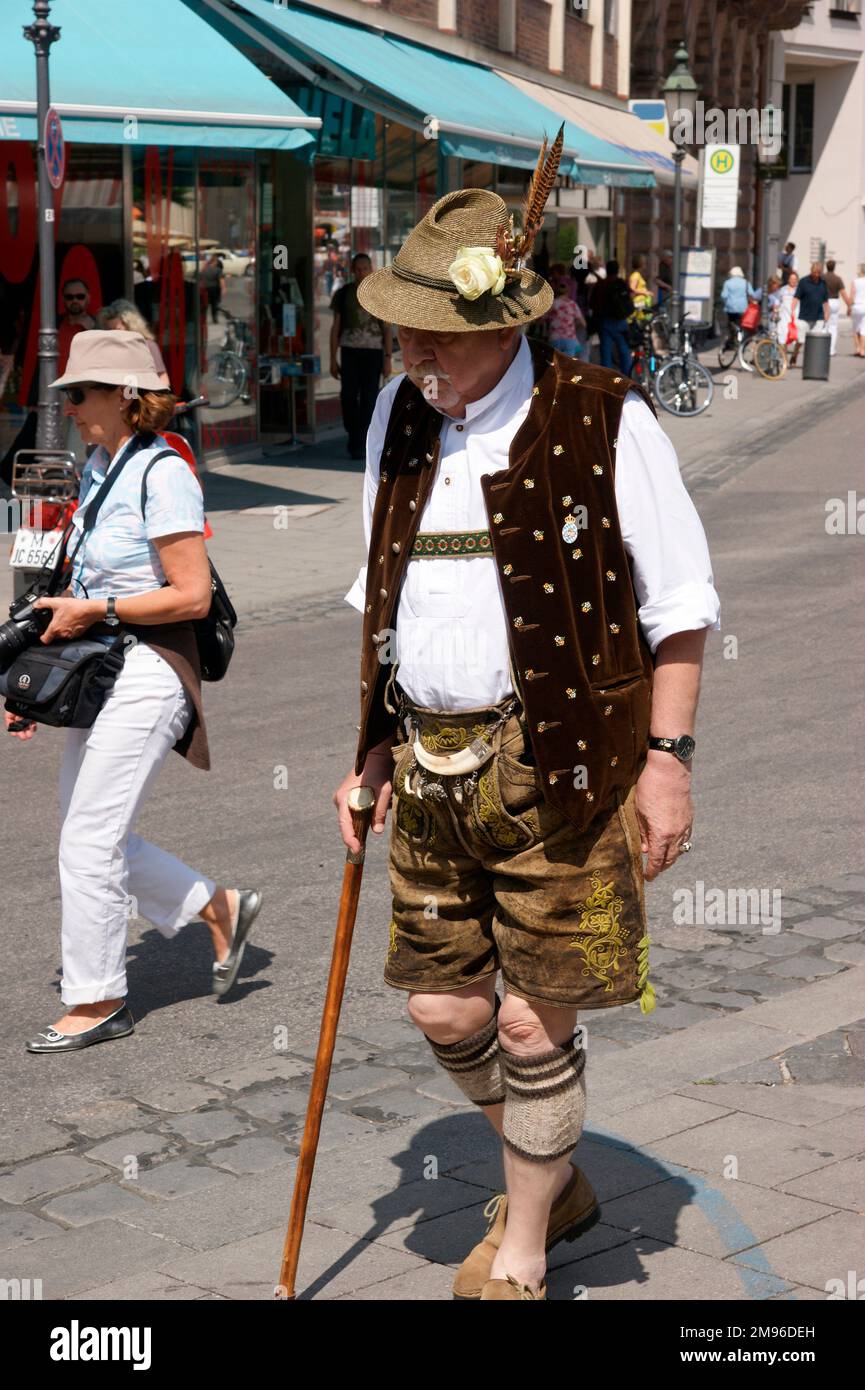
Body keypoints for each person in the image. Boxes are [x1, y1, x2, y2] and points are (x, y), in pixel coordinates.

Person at [333, 183, 720, 1300]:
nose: (411, 349)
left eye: (434, 332)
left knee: (528, 1014)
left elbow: (680, 604)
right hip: (429, 760)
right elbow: (382, 602)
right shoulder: (396, 415)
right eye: (402, 328)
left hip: (560, 765)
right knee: (443, 1008)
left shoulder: (605, 412)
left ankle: (524, 1245)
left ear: (503, 321)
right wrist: (365, 753)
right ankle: (554, 1163)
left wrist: (666, 762)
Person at [6, 330, 263, 1053]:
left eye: (80, 393)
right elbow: (76, 584)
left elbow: (190, 595)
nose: (69, 406)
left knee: (88, 836)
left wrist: (103, 611)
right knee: (87, 828)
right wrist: (32, 683)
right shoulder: (98, 466)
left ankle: (99, 999)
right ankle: (218, 908)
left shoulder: (161, 470)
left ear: (126, 396)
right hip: (101, 666)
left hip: (153, 665)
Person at [330, 253, 392, 460]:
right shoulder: (344, 293)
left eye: (365, 268)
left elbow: (386, 328)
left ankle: (363, 441)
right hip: (349, 350)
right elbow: (335, 326)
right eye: (357, 269)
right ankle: (353, 434)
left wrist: (388, 357)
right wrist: (332, 358)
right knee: (348, 396)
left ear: (370, 269)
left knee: (369, 397)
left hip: (373, 351)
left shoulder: (379, 294)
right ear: (352, 270)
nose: (361, 272)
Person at [96, 299, 170, 385]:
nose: (114, 334)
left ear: (131, 326)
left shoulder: (147, 345)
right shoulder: (105, 349)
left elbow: (162, 378)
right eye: (109, 330)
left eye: (118, 329)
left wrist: (156, 396)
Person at [593, 259, 634, 374]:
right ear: (617, 270)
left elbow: (593, 304)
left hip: (604, 321)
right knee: (624, 350)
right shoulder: (622, 283)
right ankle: (627, 376)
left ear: (607, 270)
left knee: (605, 352)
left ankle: (607, 378)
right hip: (621, 321)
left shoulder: (601, 285)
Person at [58, 278, 95, 375]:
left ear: (88, 298)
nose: (75, 300)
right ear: (63, 299)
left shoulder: (99, 326)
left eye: (80, 296)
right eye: (69, 297)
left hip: (86, 385)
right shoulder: (54, 324)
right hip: (56, 386)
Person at [544, 277, 586, 357]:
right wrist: (573, 325)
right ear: (568, 293)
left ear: (556, 292)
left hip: (554, 338)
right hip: (570, 338)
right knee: (567, 365)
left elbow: (542, 318)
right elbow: (583, 323)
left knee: (555, 364)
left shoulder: (552, 304)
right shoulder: (573, 304)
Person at [719, 266, 757, 337]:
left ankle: (733, 337)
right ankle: (740, 336)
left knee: (731, 322)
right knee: (741, 323)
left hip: (730, 307)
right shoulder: (746, 282)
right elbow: (752, 293)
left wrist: (725, 302)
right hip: (743, 307)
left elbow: (724, 295)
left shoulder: (727, 283)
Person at [823, 260, 850, 358]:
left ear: (826, 266)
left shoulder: (822, 277)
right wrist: (849, 305)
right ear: (834, 267)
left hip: (824, 301)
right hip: (834, 302)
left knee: (824, 325)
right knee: (833, 327)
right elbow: (843, 293)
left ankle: (822, 348)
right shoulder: (838, 279)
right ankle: (831, 350)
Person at [795, 263, 830, 333]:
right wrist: (792, 312)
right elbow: (796, 297)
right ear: (811, 271)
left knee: (815, 341)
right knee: (801, 341)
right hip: (804, 317)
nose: (816, 275)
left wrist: (826, 313)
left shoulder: (823, 283)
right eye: (814, 273)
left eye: (818, 273)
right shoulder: (803, 281)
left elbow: (825, 301)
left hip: (819, 317)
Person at [777, 271, 801, 364]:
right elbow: (778, 302)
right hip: (784, 317)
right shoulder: (782, 290)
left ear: (797, 280)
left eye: (795, 279)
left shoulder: (800, 290)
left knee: (799, 338)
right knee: (782, 337)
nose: (793, 281)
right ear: (788, 280)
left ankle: (794, 355)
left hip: (796, 317)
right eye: (791, 279)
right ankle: (784, 358)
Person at [200, 254, 225, 325]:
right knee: (214, 304)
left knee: (205, 304)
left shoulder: (204, 269)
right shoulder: (218, 270)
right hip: (214, 289)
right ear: (215, 262)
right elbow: (221, 280)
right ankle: (214, 319)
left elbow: (200, 277)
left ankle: (203, 319)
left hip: (205, 289)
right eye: (216, 261)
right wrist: (223, 288)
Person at [850, 263, 865, 357]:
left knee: (855, 329)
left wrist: (849, 306)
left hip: (856, 306)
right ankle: (863, 350)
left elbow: (852, 295)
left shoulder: (855, 281)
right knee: (864, 329)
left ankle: (858, 348)